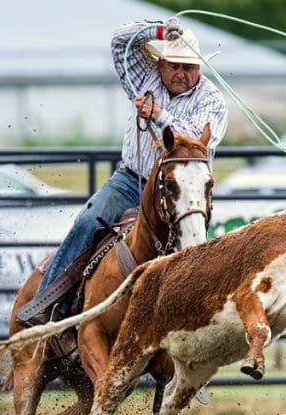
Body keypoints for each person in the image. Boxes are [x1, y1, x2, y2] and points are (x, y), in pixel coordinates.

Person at [22, 16, 228, 323]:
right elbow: (121, 41)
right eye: (175, 65)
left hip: (182, 192)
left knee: (195, 243)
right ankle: (47, 305)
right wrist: (158, 30)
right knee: (88, 222)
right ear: (161, 65)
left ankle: (202, 320)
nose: (182, 74)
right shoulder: (146, 76)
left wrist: (159, 114)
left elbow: (195, 141)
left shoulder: (212, 100)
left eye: (189, 67)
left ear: (199, 67)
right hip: (131, 180)